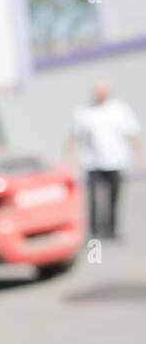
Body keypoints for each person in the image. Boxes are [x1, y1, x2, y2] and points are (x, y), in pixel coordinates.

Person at [66, 79, 142, 240]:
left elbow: (131, 134)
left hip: (116, 160)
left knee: (115, 196)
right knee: (93, 198)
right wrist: (70, 160)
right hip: (93, 162)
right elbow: (74, 137)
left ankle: (112, 230)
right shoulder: (84, 112)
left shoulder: (120, 110)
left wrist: (139, 155)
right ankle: (94, 232)